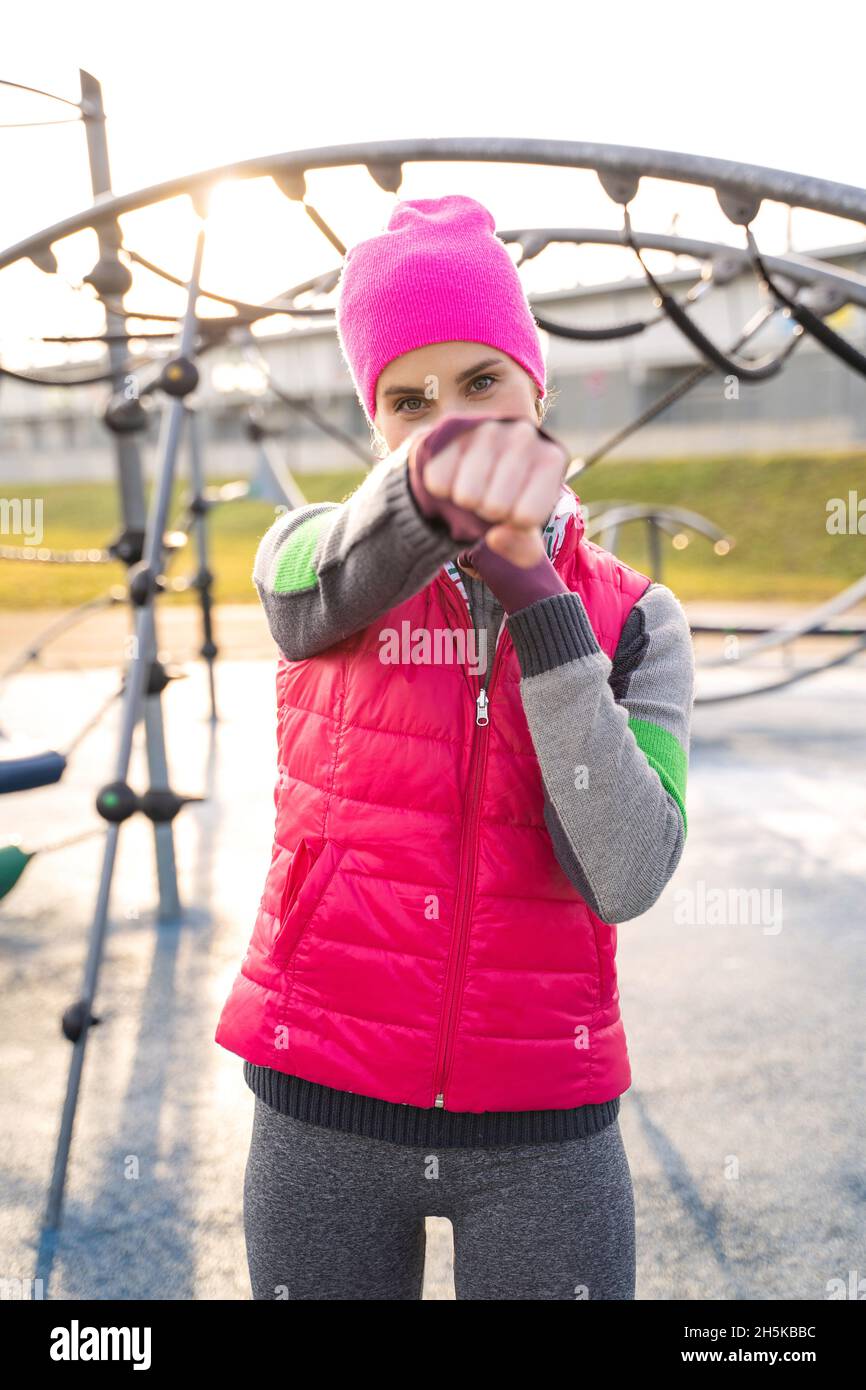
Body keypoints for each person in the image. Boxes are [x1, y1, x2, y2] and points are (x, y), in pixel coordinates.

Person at [214, 194, 695, 1300]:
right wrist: (427, 497)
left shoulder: (634, 618)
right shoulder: (308, 557)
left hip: (544, 1124)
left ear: (537, 387)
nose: (449, 419)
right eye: (408, 399)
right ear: (374, 423)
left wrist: (539, 600)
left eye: (480, 382)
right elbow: (315, 591)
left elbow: (623, 873)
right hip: (319, 1101)